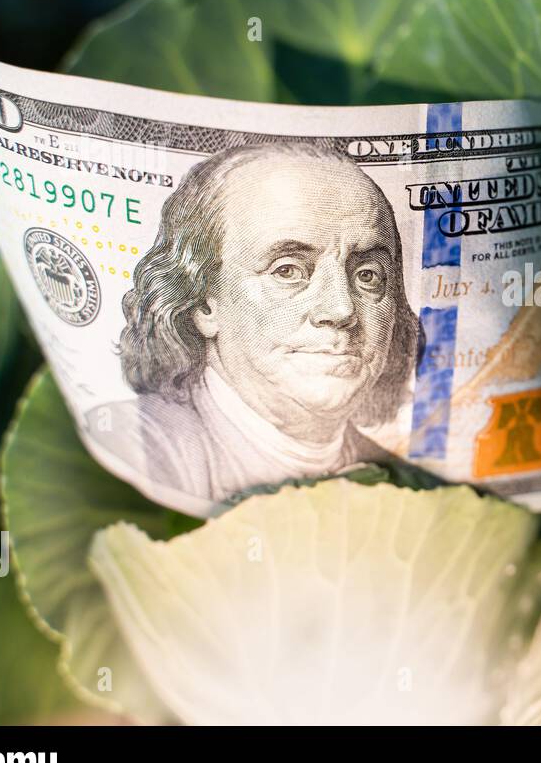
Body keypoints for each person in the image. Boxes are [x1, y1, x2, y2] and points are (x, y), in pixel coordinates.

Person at [86, 140, 421, 507]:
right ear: (203, 302)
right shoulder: (139, 444)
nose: (341, 309)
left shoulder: (404, 478)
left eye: (368, 275)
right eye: (287, 270)